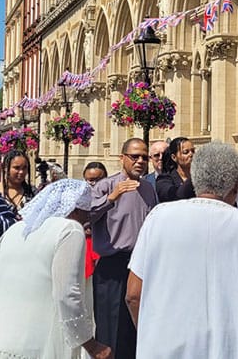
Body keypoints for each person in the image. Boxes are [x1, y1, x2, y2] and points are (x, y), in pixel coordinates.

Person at [126, 142, 238, 358]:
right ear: (235, 186)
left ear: (195, 180)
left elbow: (133, 294)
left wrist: (151, 335)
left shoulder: (160, 217)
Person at [0, 179, 112, 359]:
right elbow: (66, 293)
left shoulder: (14, 230)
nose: (87, 220)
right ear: (77, 208)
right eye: (87, 213)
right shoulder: (69, 229)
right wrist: (90, 345)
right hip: (37, 348)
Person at [87, 138, 157, 359]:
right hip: (112, 268)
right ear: (122, 158)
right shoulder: (105, 186)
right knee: (110, 328)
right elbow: (87, 216)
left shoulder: (148, 189)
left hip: (140, 266)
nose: (140, 161)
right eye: (134, 156)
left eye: (144, 157)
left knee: (135, 328)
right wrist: (112, 198)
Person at [155, 137, 196, 202]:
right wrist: (194, 178)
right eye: (186, 152)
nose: (191, 154)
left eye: (193, 151)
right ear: (174, 157)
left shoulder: (201, 178)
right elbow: (174, 196)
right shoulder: (165, 179)